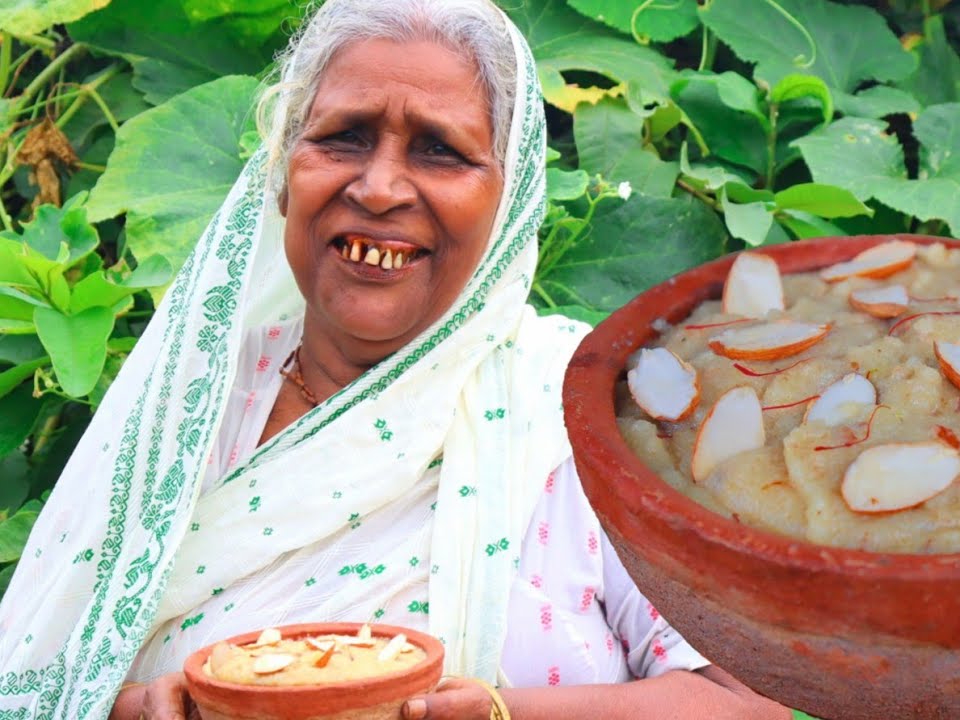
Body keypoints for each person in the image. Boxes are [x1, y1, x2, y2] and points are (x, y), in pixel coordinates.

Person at [0, 1, 790, 718]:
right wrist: (138, 711)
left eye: (441, 150)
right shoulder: (188, 405)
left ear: (508, 197)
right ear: (282, 172)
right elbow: (43, 682)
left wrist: (499, 715)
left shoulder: (590, 413)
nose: (379, 188)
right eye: (342, 136)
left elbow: (746, 704)